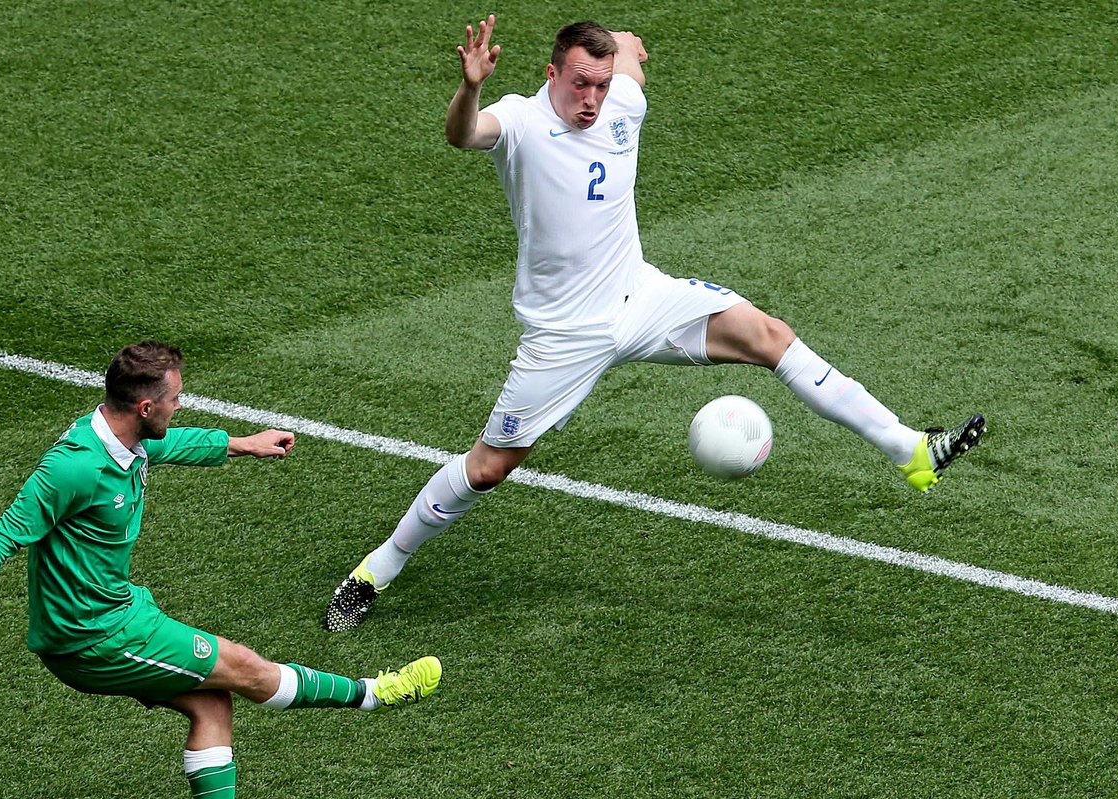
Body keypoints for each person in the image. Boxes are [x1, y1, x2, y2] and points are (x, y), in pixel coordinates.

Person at [324, 17, 985, 632]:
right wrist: (469, 89)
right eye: (580, 82)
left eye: (601, 84)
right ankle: (375, 570)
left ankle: (913, 451)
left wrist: (623, 47)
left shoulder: (622, 104)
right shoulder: (521, 121)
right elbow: (461, 135)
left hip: (642, 297)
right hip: (565, 335)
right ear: (551, 74)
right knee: (490, 468)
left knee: (769, 335)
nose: (592, 97)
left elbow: (628, 45)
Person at [0, 340, 441, 799]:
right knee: (248, 670)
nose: (179, 406)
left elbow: (166, 446)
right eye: (175, 398)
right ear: (144, 407)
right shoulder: (73, 469)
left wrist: (242, 444)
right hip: (95, 637)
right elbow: (3, 535)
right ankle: (376, 693)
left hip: (117, 614)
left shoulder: (120, 438)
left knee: (211, 702)